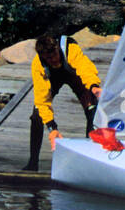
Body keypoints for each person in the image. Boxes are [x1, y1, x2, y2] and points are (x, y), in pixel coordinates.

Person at [23, 34, 102, 171]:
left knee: (92, 110)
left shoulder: (71, 49)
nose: (53, 60)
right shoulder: (38, 64)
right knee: (37, 115)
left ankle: (90, 160)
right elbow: (42, 99)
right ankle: (33, 162)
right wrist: (52, 128)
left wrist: (93, 86)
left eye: (54, 55)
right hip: (53, 79)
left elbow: (85, 69)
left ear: (57, 49)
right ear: (42, 57)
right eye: (48, 58)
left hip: (73, 75)